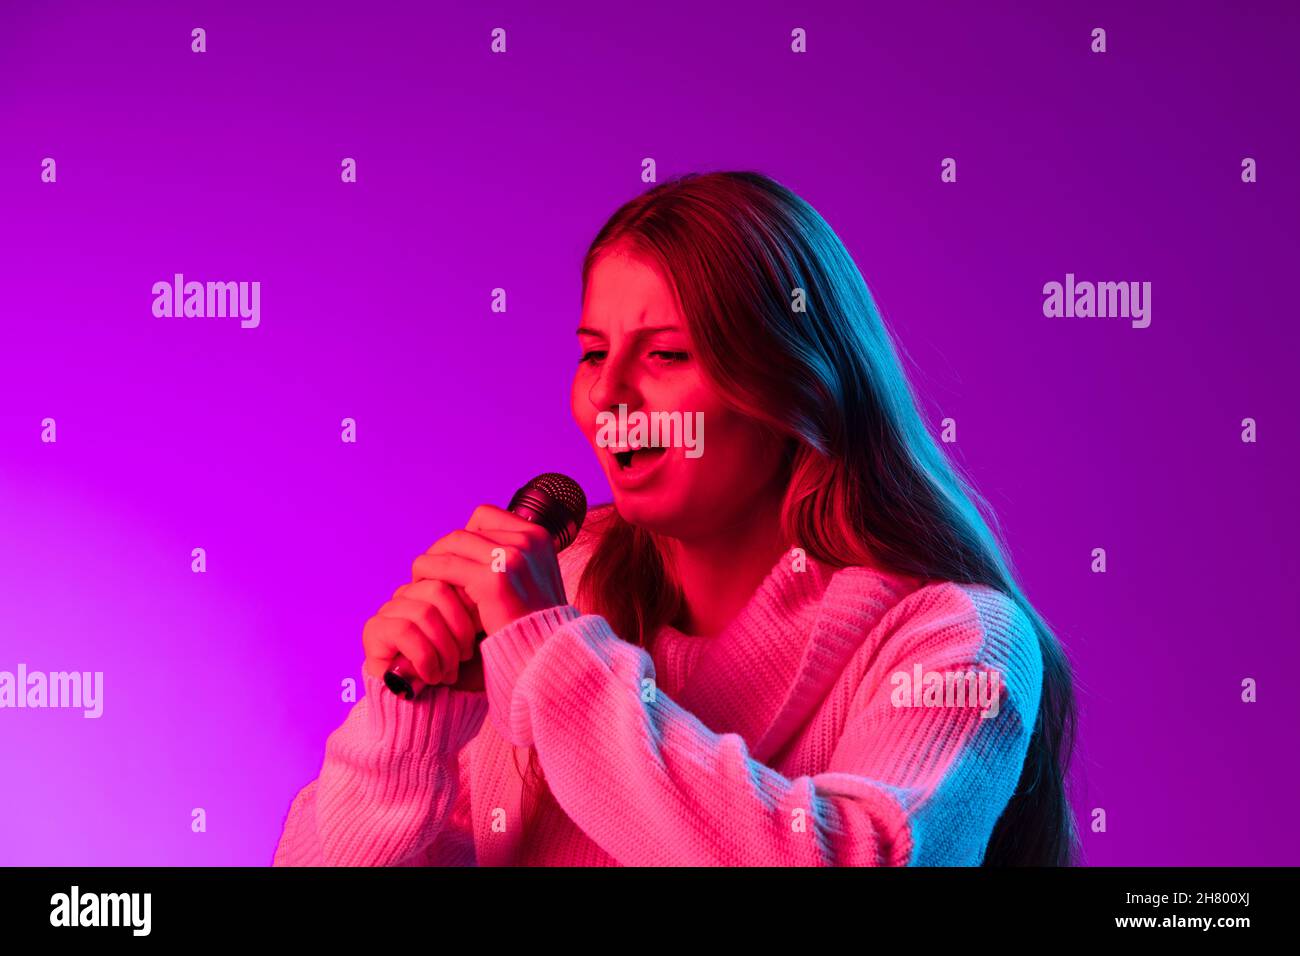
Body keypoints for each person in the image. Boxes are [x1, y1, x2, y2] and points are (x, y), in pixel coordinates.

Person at [273, 170, 1078, 867]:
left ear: (795, 388)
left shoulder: (954, 641)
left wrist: (553, 660)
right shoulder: (568, 586)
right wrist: (411, 732)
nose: (609, 396)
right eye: (594, 353)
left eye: (665, 356)